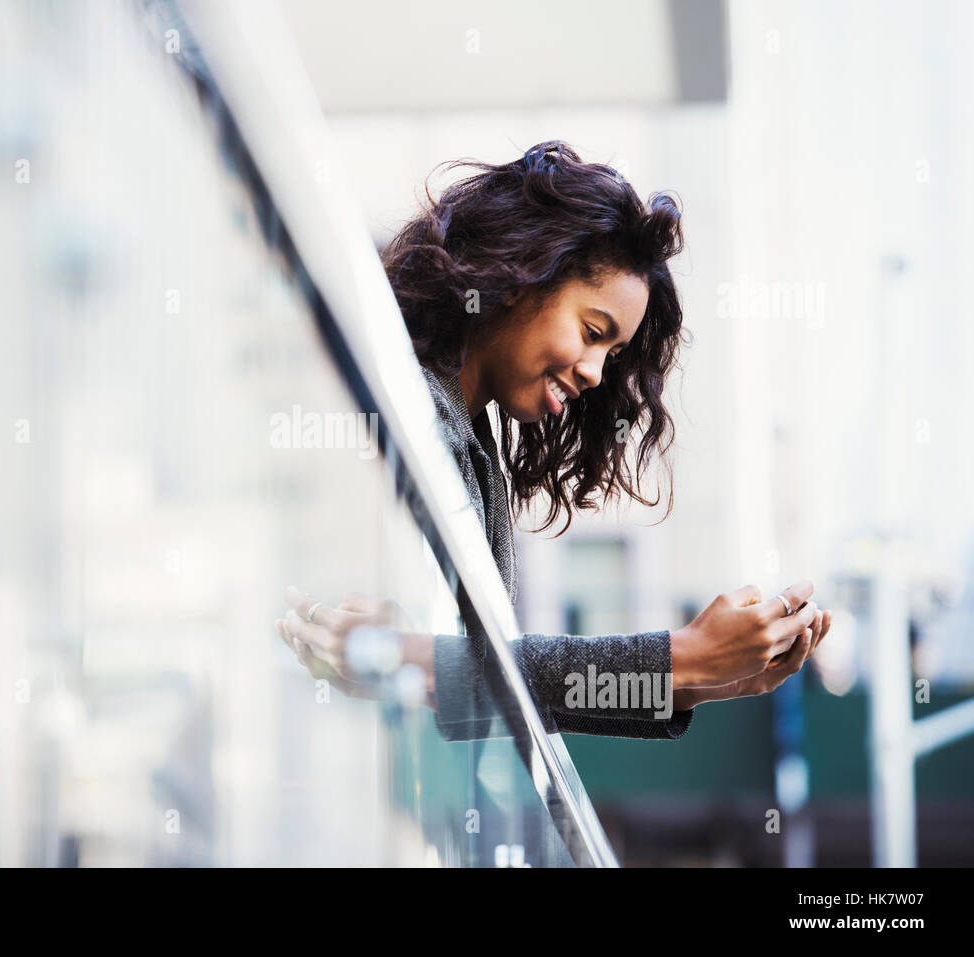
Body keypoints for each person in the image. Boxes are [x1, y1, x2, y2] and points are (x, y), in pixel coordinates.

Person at [274, 140, 830, 740]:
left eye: (612, 354)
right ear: (519, 274)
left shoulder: (464, 437)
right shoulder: (403, 412)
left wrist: (701, 678)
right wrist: (679, 660)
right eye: (593, 332)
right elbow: (428, 666)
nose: (595, 372)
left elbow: (476, 684)